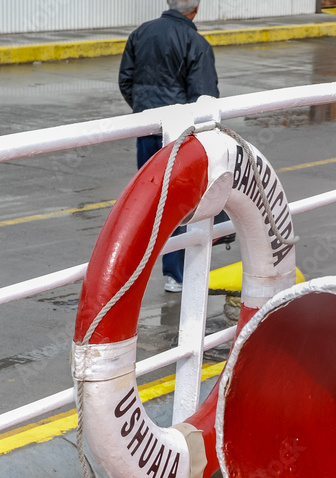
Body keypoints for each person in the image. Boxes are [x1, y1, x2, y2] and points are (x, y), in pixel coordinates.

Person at [118, 0, 219, 292]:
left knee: (152, 199)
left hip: (148, 129)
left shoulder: (141, 33)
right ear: (196, 9)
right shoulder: (196, 43)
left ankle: (133, 272)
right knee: (179, 201)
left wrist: (145, 113)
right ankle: (175, 273)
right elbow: (205, 97)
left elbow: (126, 80)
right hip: (180, 135)